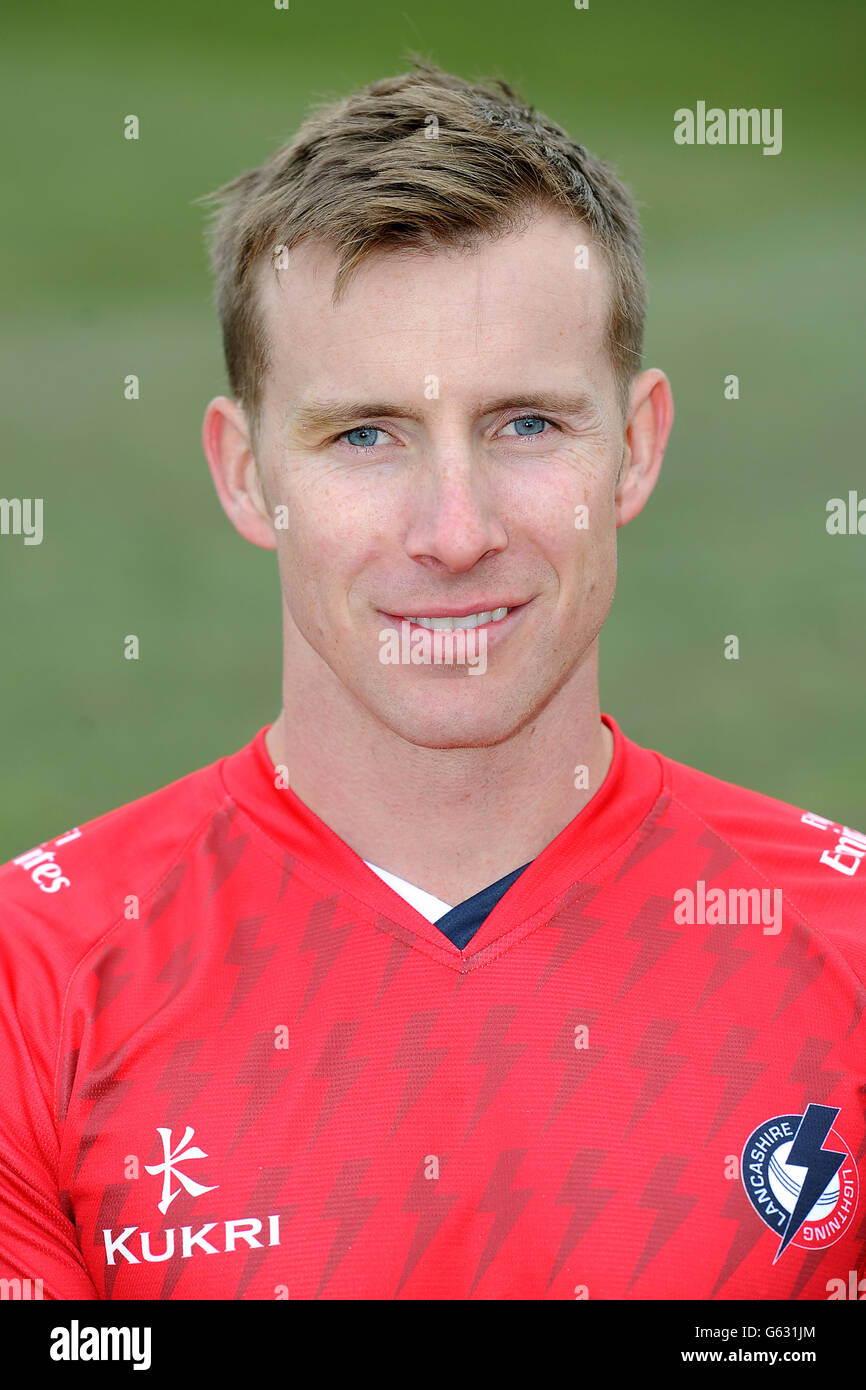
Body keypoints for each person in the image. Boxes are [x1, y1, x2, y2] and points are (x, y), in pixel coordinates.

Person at [1, 61, 863, 1302]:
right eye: (364, 434)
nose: (452, 530)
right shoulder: (33, 981)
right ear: (245, 476)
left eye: (525, 424)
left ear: (637, 446)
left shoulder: (845, 955)